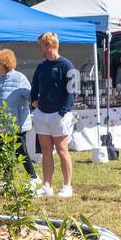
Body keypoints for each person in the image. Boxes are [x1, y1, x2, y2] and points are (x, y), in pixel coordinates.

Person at [30, 31, 78, 198]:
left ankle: (67, 186)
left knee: (62, 149)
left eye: (41, 46)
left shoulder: (67, 66)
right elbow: (34, 85)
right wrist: (33, 102)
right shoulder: (41, 66)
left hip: (59, 115)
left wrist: (63, 111)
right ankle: (47, 185)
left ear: (48, 45)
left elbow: (72, 92)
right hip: (42, 114)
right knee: (46, 151)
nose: (39, 49)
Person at [0, 49, 38, 189]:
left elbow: (30, 96)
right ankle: (8, 181)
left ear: (4, 64)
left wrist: (33, 99)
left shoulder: (19, 78)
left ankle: (34, 178)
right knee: (4, 152)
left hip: (17, 123)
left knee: (21, 151)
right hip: (1, 123)